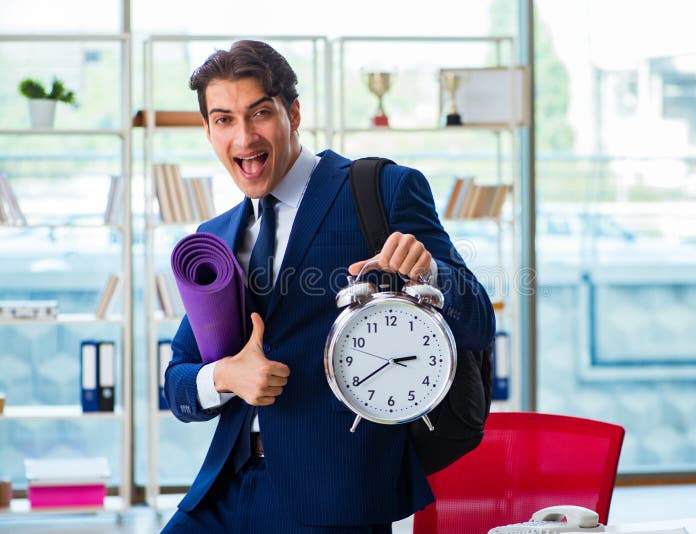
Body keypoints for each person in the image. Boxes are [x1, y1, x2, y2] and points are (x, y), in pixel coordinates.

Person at [161, 39, 495, 534]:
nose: (244, 137)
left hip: (334, 498)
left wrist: (431, 275)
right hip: (224, 493)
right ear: (208, 130)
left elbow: (479, 321)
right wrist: (227, 377)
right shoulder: (214, 240)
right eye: (225, 119)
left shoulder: (381, 189)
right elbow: (179, 381)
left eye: (260, 113)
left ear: (293, 114)